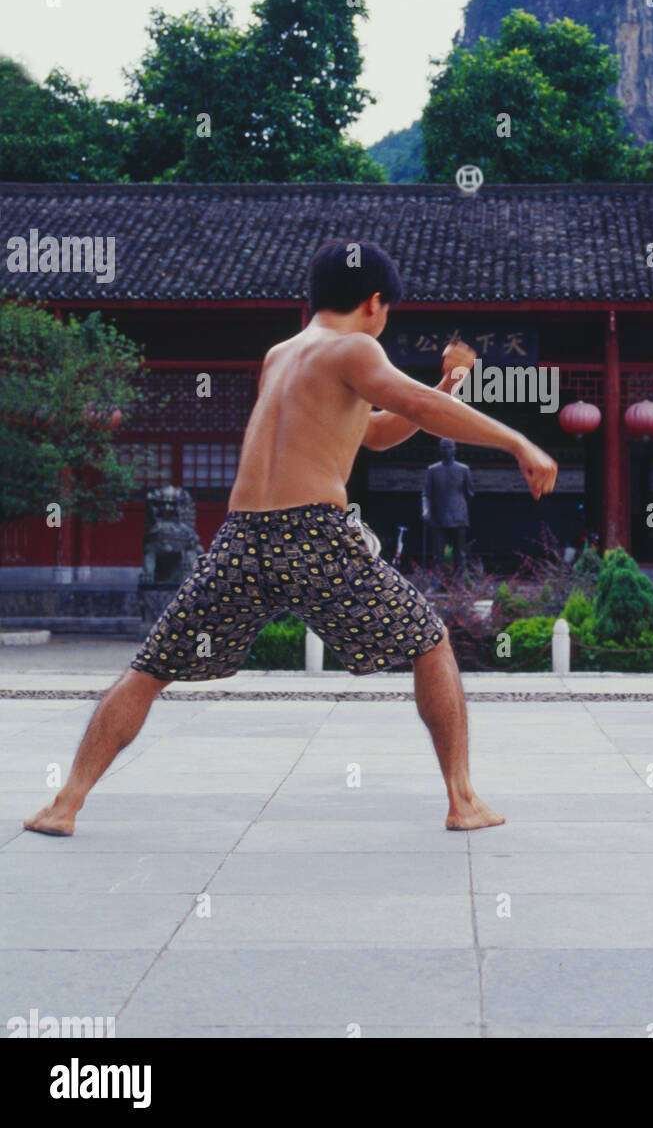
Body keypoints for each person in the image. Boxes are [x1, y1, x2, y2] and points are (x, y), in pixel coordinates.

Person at [24, 238, 557, 837]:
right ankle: (463, 801)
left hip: (240, 535)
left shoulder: (283, 353)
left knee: (150, 668)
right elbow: (411, 406)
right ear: (375, 303)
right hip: (311, 534)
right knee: (431, 643)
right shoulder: (356, 347)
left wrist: (448, 385)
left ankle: (65, 803)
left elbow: (376, 433)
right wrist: (519, 440)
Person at [423, 439, 474, 573]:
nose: (447, 450)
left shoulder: (463, 469)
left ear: (455, 449)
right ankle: (436, 582)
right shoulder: (433, 470)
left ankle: (459, 583)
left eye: (449, 447)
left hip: (459, 516)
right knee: (437, 555)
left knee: (460, 554)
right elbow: (426, 494)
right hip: (438, 516)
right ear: (440, 450)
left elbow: (470, 493)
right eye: (444, 447)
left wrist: (459, 506)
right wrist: (426, 510)